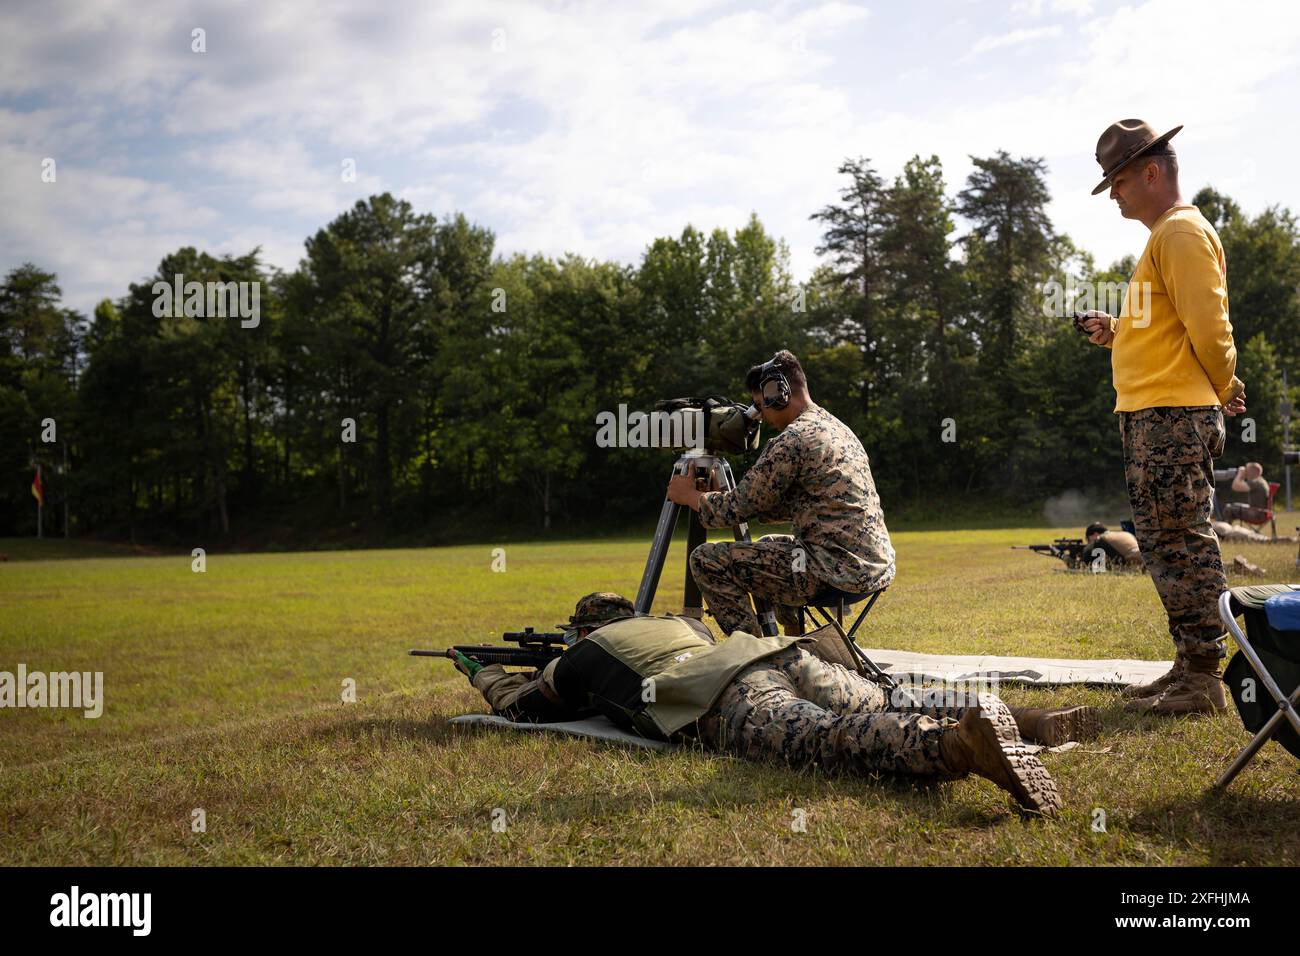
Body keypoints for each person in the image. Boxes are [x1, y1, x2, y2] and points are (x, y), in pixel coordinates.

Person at [452, 593, 1082, 814]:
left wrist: (484, 675)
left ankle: (961, 744)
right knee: (883, 699)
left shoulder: (587, 654)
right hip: (781, 654)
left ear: (582, 631)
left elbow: (527, 709)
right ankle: (1030, 720)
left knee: (829, 740)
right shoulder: (680, 622)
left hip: (720, 695)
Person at [1077, 119, 1245, 716]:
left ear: (1151, 172)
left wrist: (1227, 387)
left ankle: (1204, 679)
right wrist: (1116, 333)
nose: (1115, 194)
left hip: (1174, 414)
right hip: (1154, 414)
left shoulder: (1179, 233)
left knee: (1183, 539)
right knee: (1165, 541)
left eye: (1118, 181)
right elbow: (1167, 329)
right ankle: (1189, 666)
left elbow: (1210, 326)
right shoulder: (1163, 238)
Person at [665, 350, 894, 638]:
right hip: (872, 566)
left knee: (706, 559)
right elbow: (780, 505)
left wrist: (689, 496)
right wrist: (716, 498)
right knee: (770, 545)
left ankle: (755, 657)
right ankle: (794, 638)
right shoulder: (838, 429)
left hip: (834, 574)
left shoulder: (792, 440)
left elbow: (735, 509)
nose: (760, 416)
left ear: (779, 394)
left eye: (761, 405)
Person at [1212, 518, 1294, 544]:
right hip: (1238, 529)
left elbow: (1219, 538)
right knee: (1265, 538)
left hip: (1236, 533)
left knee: (1266, 540)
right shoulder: (1214, 523)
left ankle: (1291, 540)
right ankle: (1291, 539)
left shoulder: (1210, 526)